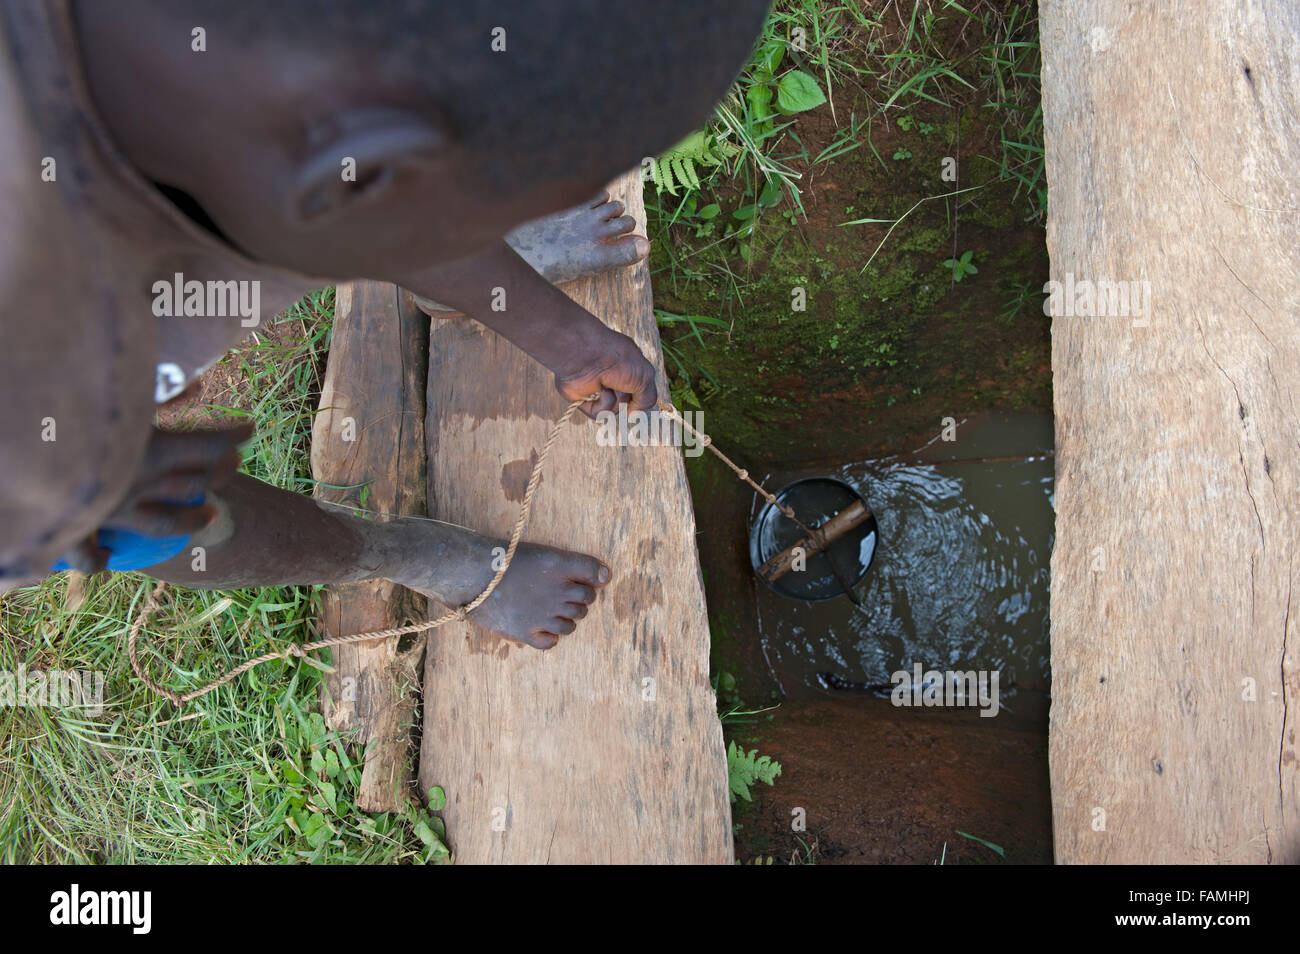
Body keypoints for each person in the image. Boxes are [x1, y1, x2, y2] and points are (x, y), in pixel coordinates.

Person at [0, 0, 769, 647]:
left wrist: (568, 339)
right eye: (505, 204)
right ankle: (420, 554)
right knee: (149, 526)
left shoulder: (269, 92)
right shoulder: (40, 454)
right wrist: (92, 480)